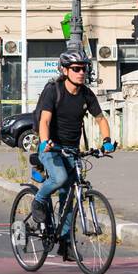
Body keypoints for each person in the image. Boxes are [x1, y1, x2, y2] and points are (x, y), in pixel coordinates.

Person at [30, 50, 116, 261]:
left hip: (72, 149)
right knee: (59, 178)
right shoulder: (54, 91)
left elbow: (101, 119)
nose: (81, 72)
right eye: (76, 69)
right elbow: (45, 121)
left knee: (69, 195)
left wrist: (106, 142)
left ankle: (65, 241)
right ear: (65, 70)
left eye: (84, 68)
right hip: (51, 147)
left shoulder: (86, 94)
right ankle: (39, 201)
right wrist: (44, 142)